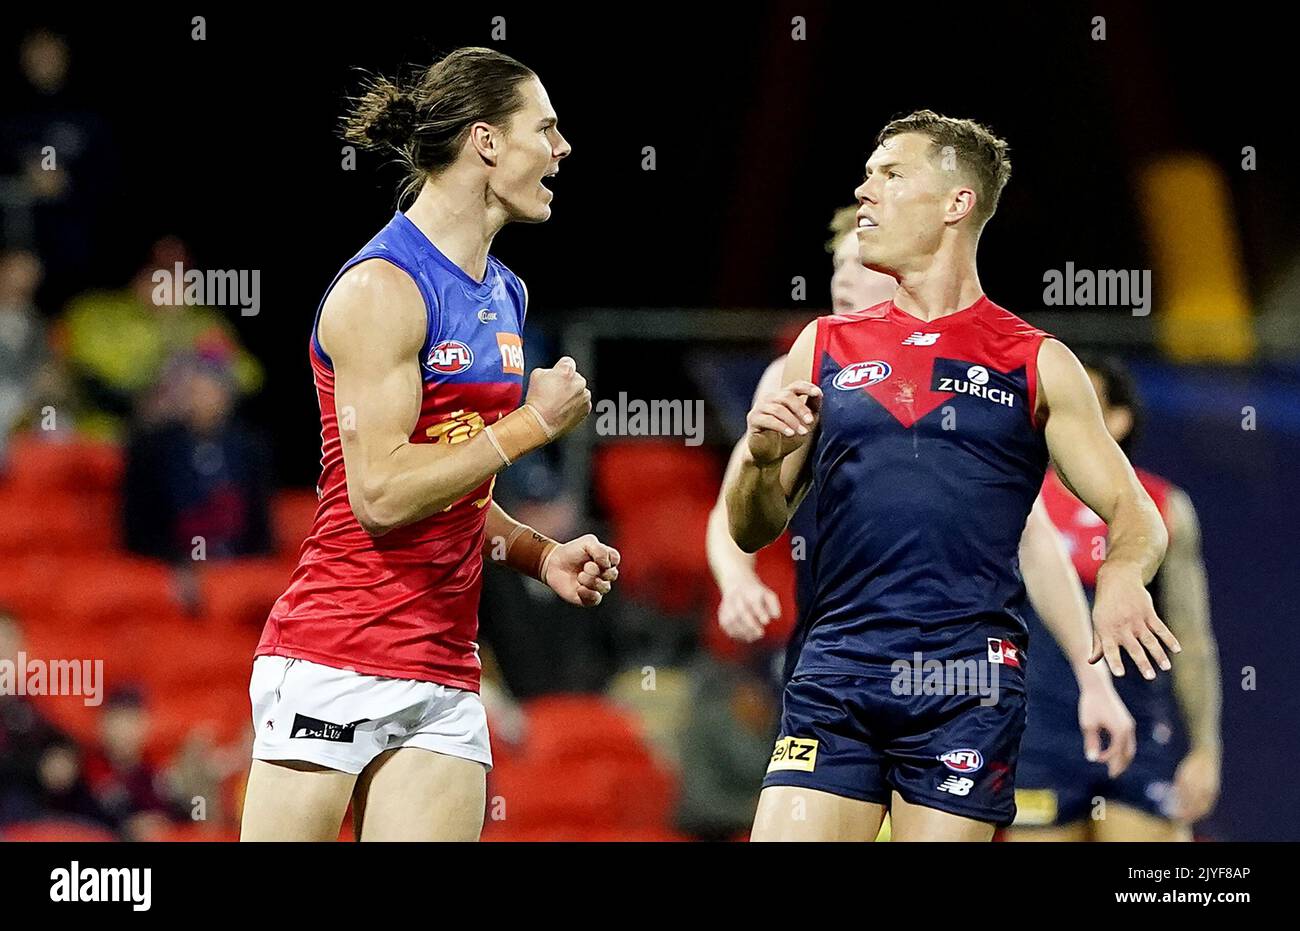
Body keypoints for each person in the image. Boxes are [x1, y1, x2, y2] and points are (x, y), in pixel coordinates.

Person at [726, 110, 1178, 841]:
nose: (864, 190)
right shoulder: (822, 346)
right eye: (868, 172)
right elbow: (754, 524)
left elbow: (1134, 511)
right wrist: (761, 456)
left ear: (956, 203)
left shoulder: (1035, 360)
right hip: (835, 671)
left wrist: (1123, 575)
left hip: (966, 685)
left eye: (890, 173)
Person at [240, 47, 619, 842]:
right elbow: (379, 495)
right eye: (545, 129)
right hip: (336, 652)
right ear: (485, 142)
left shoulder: (505, 291)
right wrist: (533, 425)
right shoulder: (381, 287)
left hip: (444, 667)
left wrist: (535, 553)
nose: (563, 148)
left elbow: (452, 482)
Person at [1007, 356, 1222, 841]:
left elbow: (1192, 637)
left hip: (1139, 736)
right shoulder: (1018, 500)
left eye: (1087, 403)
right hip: (1037, 738)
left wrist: (1206, 750)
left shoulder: (1164, 508)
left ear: (1120, 421)